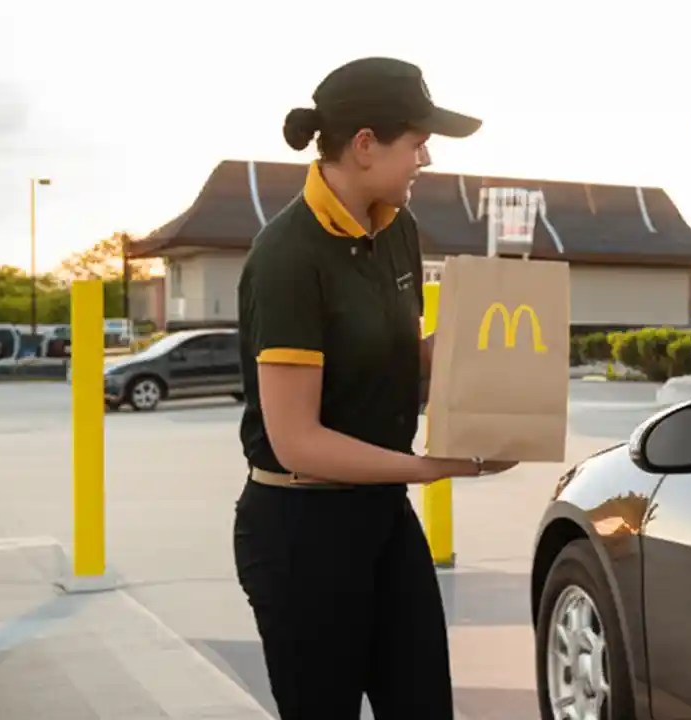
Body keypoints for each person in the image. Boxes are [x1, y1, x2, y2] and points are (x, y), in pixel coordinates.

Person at [232, 57, 514, 720]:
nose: (427, 158)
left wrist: (488, 360)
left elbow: (391, 361)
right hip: (301, 533)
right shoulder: (288, 258)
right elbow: (297, 442)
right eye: (417, 143)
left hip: (382, 518)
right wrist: (438, 468)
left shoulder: (399, 231)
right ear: (365, 144)